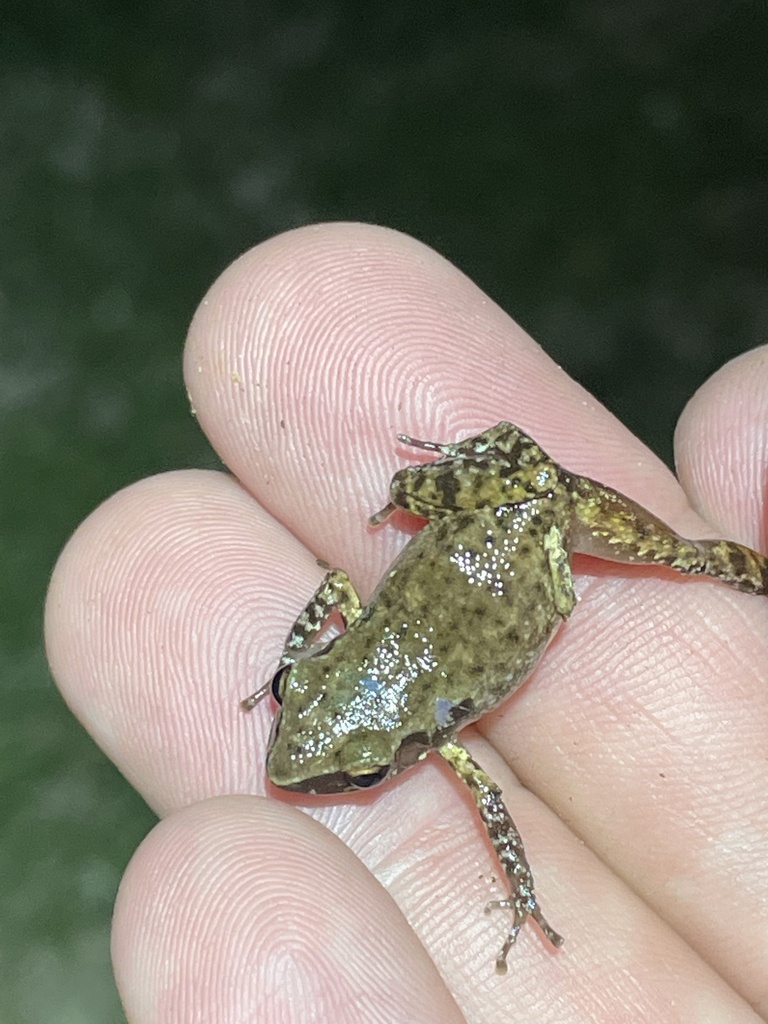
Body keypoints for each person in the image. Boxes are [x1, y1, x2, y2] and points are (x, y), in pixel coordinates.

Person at [45, 223, 768, 1023]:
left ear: (416, 745)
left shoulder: (445, 741)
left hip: (549, 525)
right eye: (296, 691)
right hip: (508, 506)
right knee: (409, 489)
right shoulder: (359, 637)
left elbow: (495, 810)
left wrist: (523, 895)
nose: (297, 767)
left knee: (690, 558)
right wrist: (293, 658)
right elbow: (330, 592)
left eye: (363, 775)